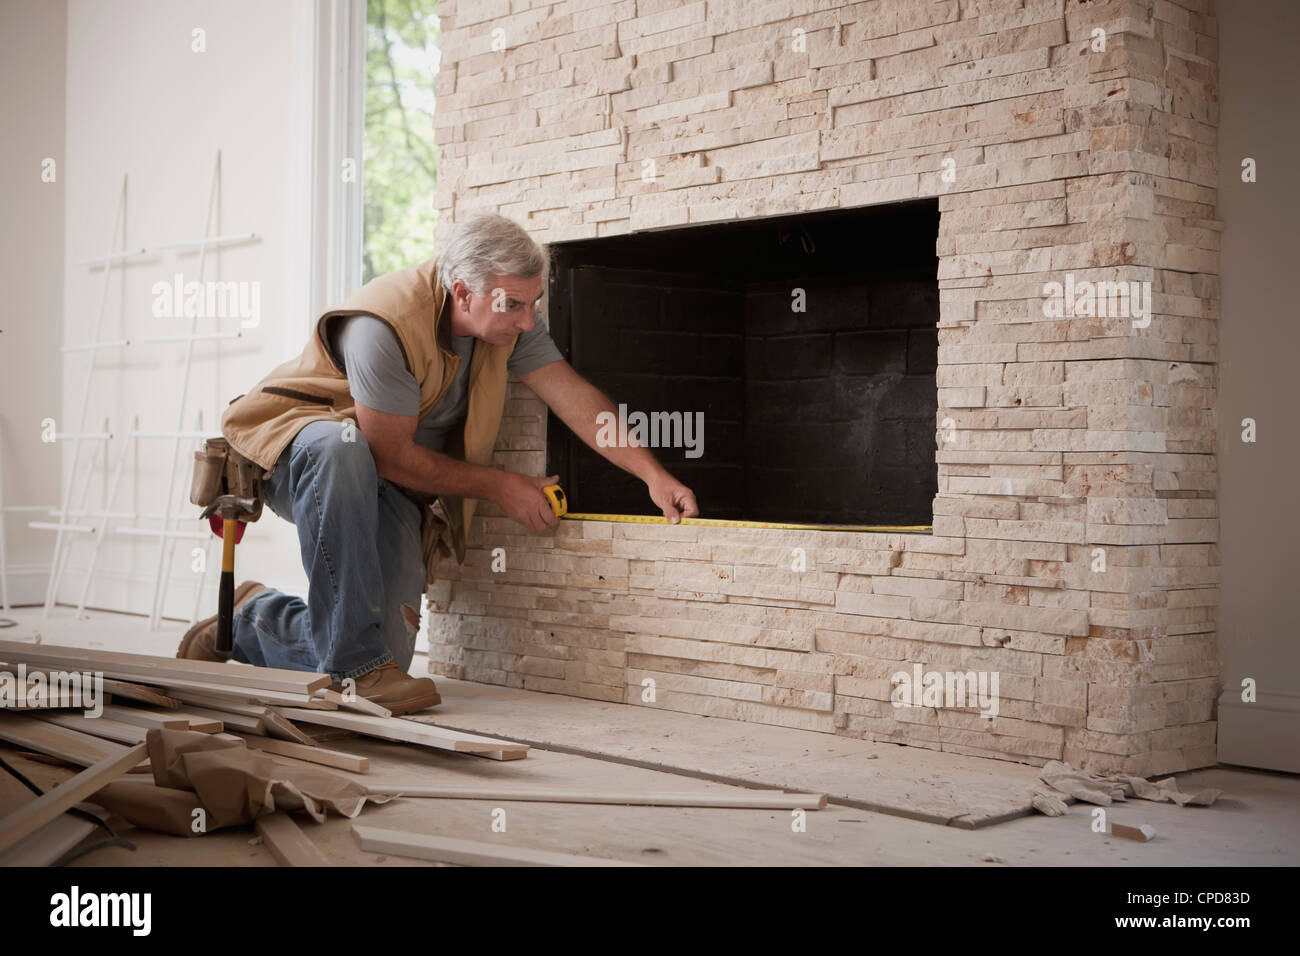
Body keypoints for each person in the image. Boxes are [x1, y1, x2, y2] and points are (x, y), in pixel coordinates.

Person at [176, 213, 699, 715]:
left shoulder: (509, 325)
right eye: (514, 305)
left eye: (533, 302)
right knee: (344, 447)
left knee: (388, 658)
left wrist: (652, 475)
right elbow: (388, 452)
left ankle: (253, 620)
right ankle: (355, 670)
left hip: (390, 482)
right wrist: (500, 486)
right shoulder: (382, 324)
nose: (528, 319)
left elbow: (571, 395)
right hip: (304, 457)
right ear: (463, 291)